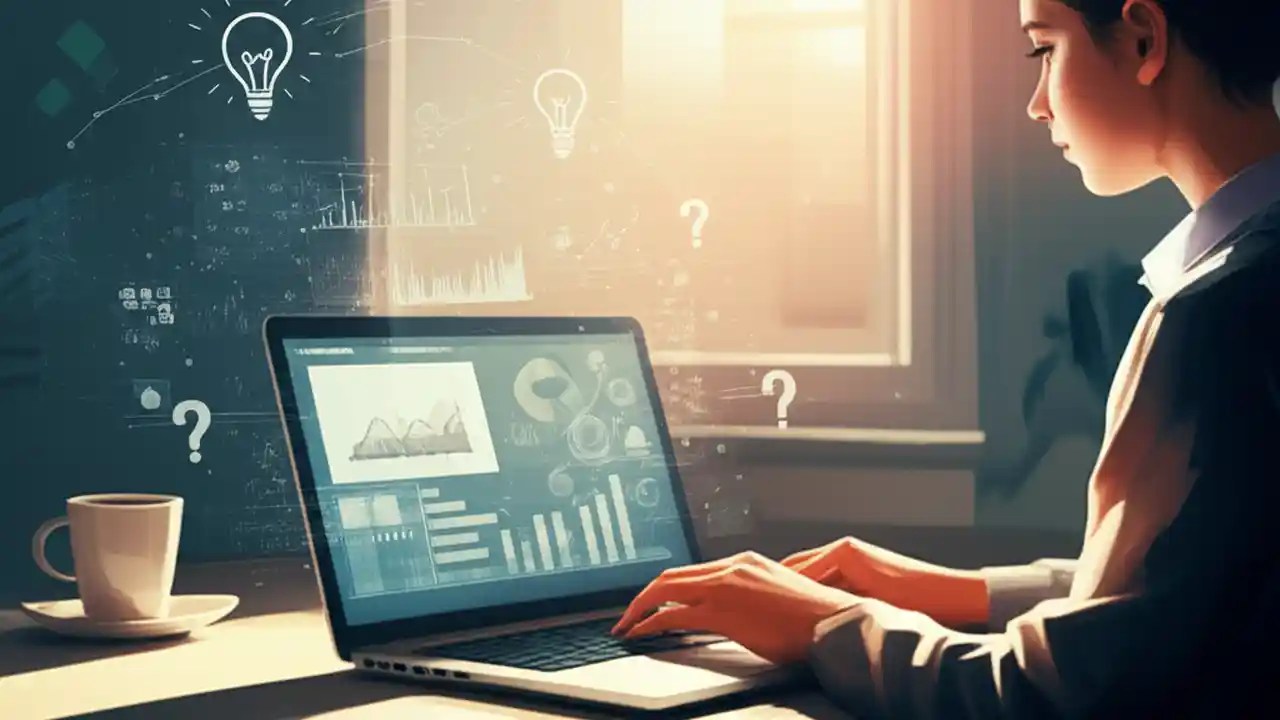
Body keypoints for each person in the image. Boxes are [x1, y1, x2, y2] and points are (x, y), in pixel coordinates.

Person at [611, 0, 1280, 716]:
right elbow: (1194, 596)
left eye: (1044, 49)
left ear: (1144, 39)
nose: (1034, 105)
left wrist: (823, 627)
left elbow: (1057, 699)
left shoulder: (1218, 313)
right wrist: (957, 590)